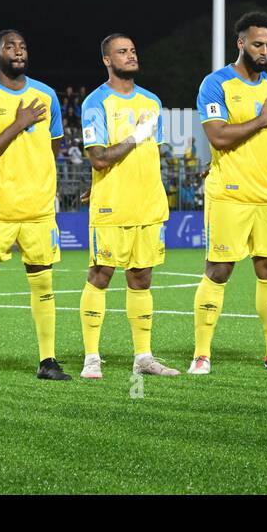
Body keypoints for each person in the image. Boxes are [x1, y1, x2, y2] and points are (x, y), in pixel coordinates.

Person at [189, 10, 267, 373]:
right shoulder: (215, 84)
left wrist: (261, 135)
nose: (264, 51)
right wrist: (261, 120)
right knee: (219, 269)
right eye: (257, 43)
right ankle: (201, 354)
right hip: (229, 193)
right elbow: (217, 135)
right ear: (240, 42)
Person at [0, 29, 70, 381]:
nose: (19, 50)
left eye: (23, 46)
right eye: (10, 47)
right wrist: (17, 124)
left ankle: (48, 361)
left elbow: (52, 147)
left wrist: (35, 175)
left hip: (38, 211)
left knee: (43, 283)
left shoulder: (47, 95)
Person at [77, 33, 180, 380]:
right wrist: (135, 136)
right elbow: (99, 159)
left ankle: (143, 357)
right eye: (122, 52)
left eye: (133, 50)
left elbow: (153, 155)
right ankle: (92, 356)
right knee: (101, 274)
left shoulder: (152, 101)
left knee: (141, 278)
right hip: (112, 207)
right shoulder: (95, 102)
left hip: (148, 205)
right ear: (107, 60)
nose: (131, 55)